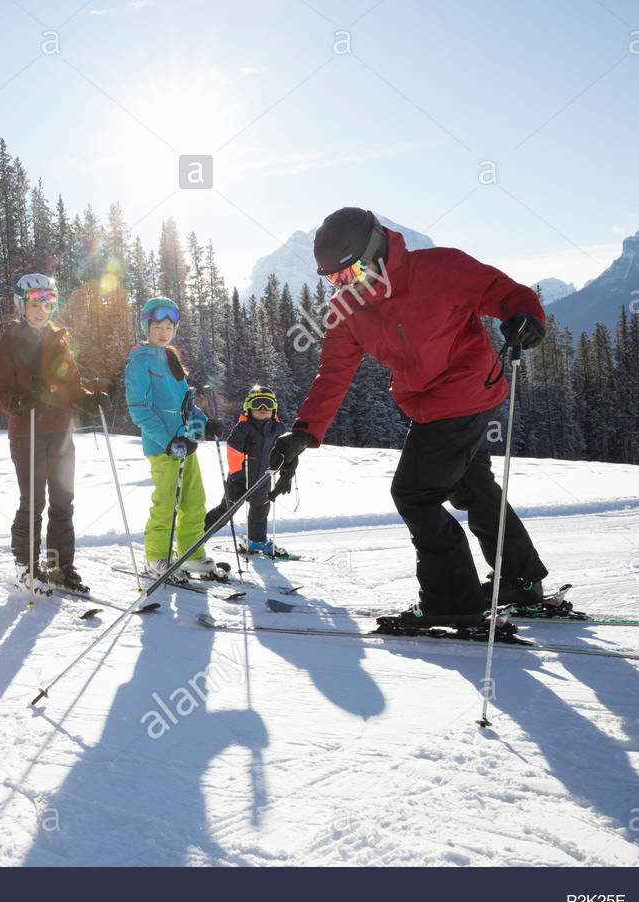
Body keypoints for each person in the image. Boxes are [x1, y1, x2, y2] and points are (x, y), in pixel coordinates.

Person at [269, 207, 550, 626]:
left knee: (415, 494)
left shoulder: (440, 268)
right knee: (473, 485)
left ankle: (453, 605)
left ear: (377, 250)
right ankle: (521, 581)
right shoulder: (346, 309)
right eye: (335, 279)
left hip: (466, 389)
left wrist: (525, 316)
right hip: (432, 402)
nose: (348, 285)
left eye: (352, 272)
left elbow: (504, 292)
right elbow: (334, 374)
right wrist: (304, 433)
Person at [0, 273, 110, 593]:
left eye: (49, 301)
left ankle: (60, 566)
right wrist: (17, 402)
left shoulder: (59, 338)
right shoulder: (9, 342)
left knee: (63, 501)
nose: (42, 308)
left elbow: (71, 384)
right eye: (35, 302)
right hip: (27, 432)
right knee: (33, 501)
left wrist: (87, 399)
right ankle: (26, 566)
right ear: (22, 304)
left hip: (60, 431)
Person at [123, 297, 223, 582]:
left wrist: (205, 425)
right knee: (167, 502)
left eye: (169, 326)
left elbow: (185, 404)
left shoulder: (170, 357)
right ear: (147, 326)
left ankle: (191, 554)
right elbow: (140, 411)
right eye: (158, 326)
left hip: (186, 443)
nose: (164, 332)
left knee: (194, 501)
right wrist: (168, 441)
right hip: (163, 447)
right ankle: (156, 558)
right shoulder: (139, 362)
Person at [204, 384, 287, 555]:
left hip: (263, 480)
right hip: (240, 480)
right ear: (248, 408)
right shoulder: (243, 428)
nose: (263, 409)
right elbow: (233, 453)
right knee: (226, 510)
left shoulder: (278, 429)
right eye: (258, 404)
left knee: (261, 510)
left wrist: (283, 466)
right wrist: (238, 478)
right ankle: (197, 535)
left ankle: (256, 541)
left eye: (268, 405)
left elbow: (285, 451)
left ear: (274, 409)